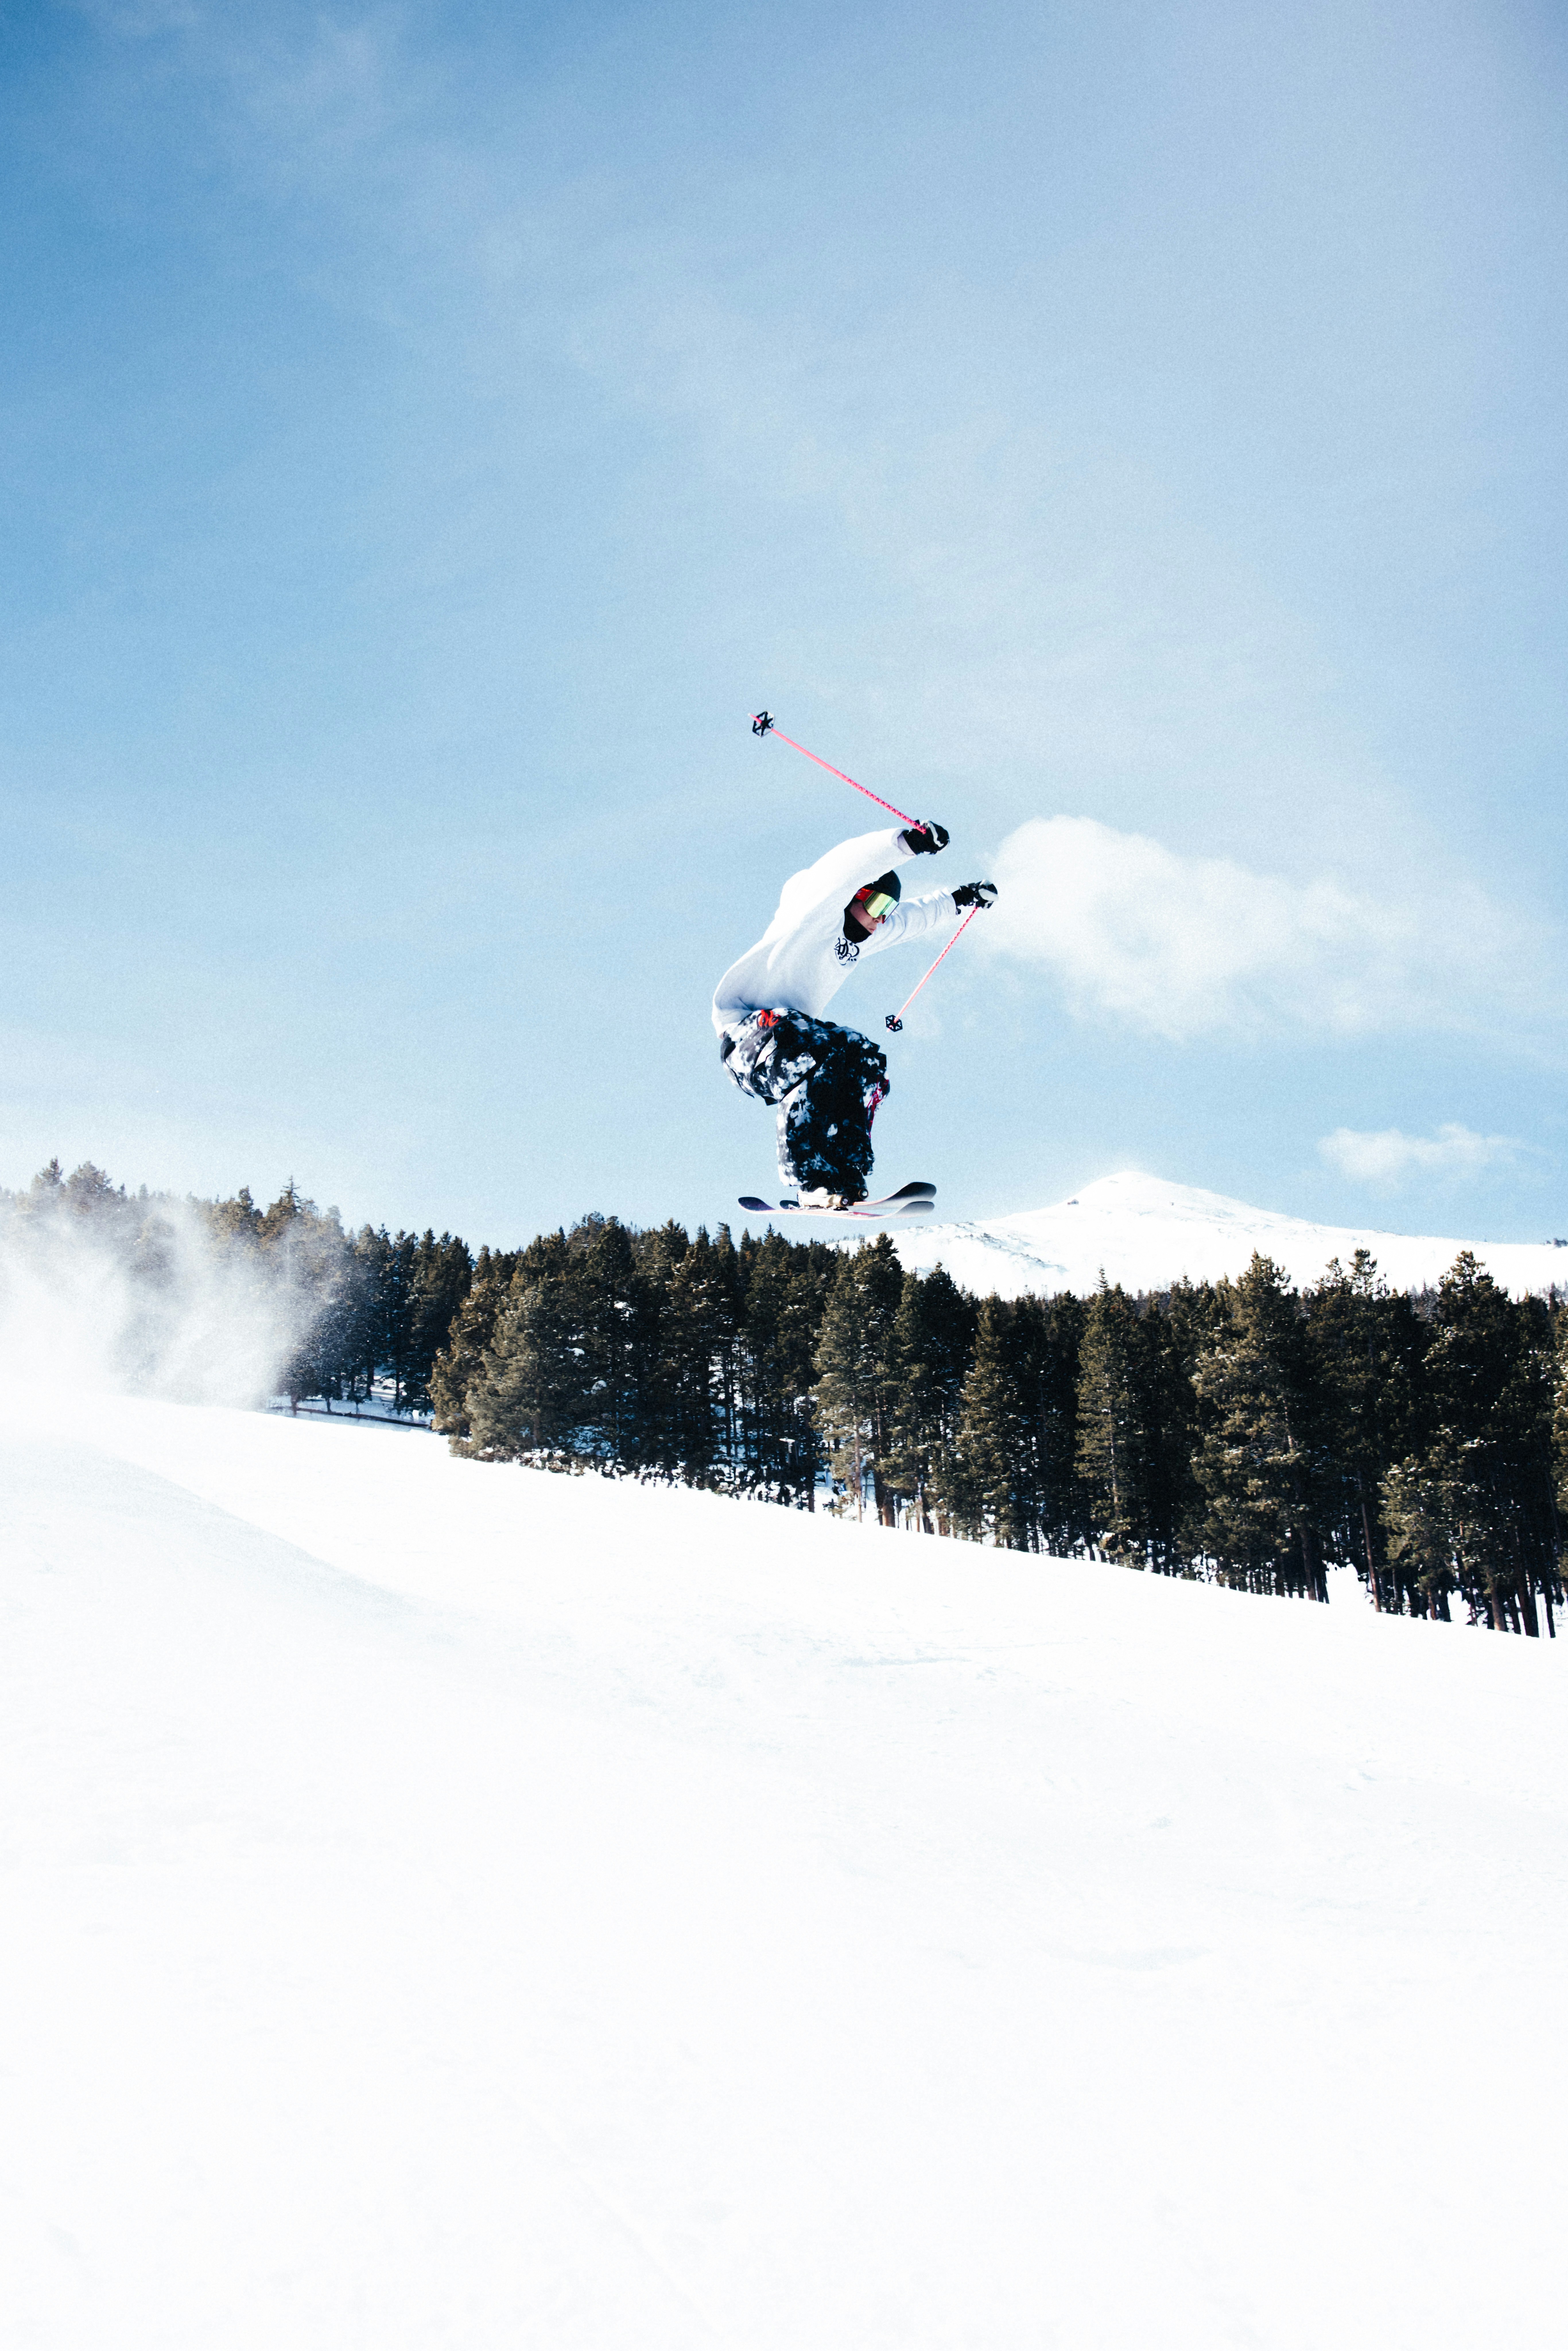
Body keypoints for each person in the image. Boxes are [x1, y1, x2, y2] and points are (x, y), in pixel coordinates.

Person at [712, 818, 998, 1207]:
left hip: (794, 1042)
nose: (882, 917)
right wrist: (904, 844)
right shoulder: (816, 914)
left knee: (858, 1055)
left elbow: (913, 919)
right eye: (878, 905)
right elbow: (840, 869)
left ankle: (845, 1174)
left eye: (888, 909)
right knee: (800, 1033)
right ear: (855, 896)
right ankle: (809, 1176)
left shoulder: (860, 940)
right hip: (747, 1038)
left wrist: (962, 899)